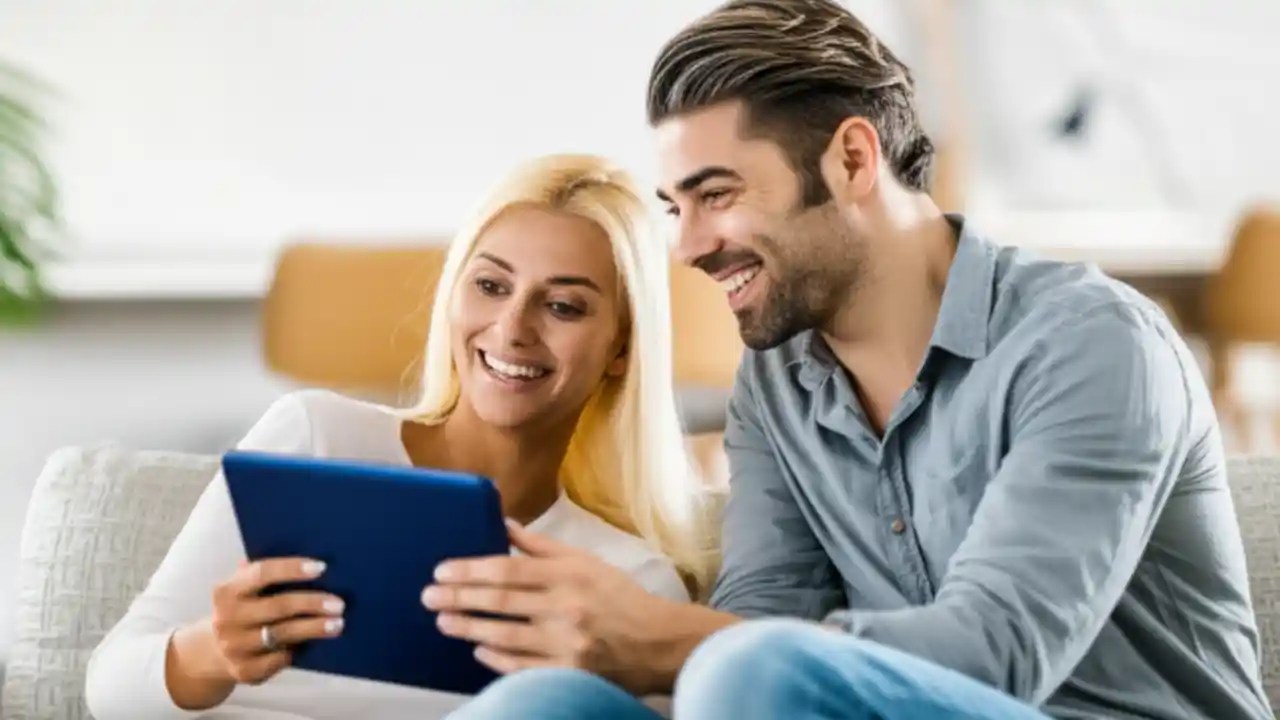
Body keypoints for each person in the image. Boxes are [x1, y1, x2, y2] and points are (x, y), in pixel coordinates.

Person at [430, 2, 1274, 719]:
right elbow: (766, 611)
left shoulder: (1092, 343)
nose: (686, 247)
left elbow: (997, 652)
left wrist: (657, 634)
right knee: (536, 703)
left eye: (717, 196)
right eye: (675, 207)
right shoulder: (777, 380)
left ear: (853, 160)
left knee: (746, 669)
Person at [84, 154, 716, 720]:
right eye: (491, 286)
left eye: (564, 307)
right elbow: (108, 687)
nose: (512, 327)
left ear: (621, 350)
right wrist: (210, 654)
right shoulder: (315, 439)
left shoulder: (625, 581)